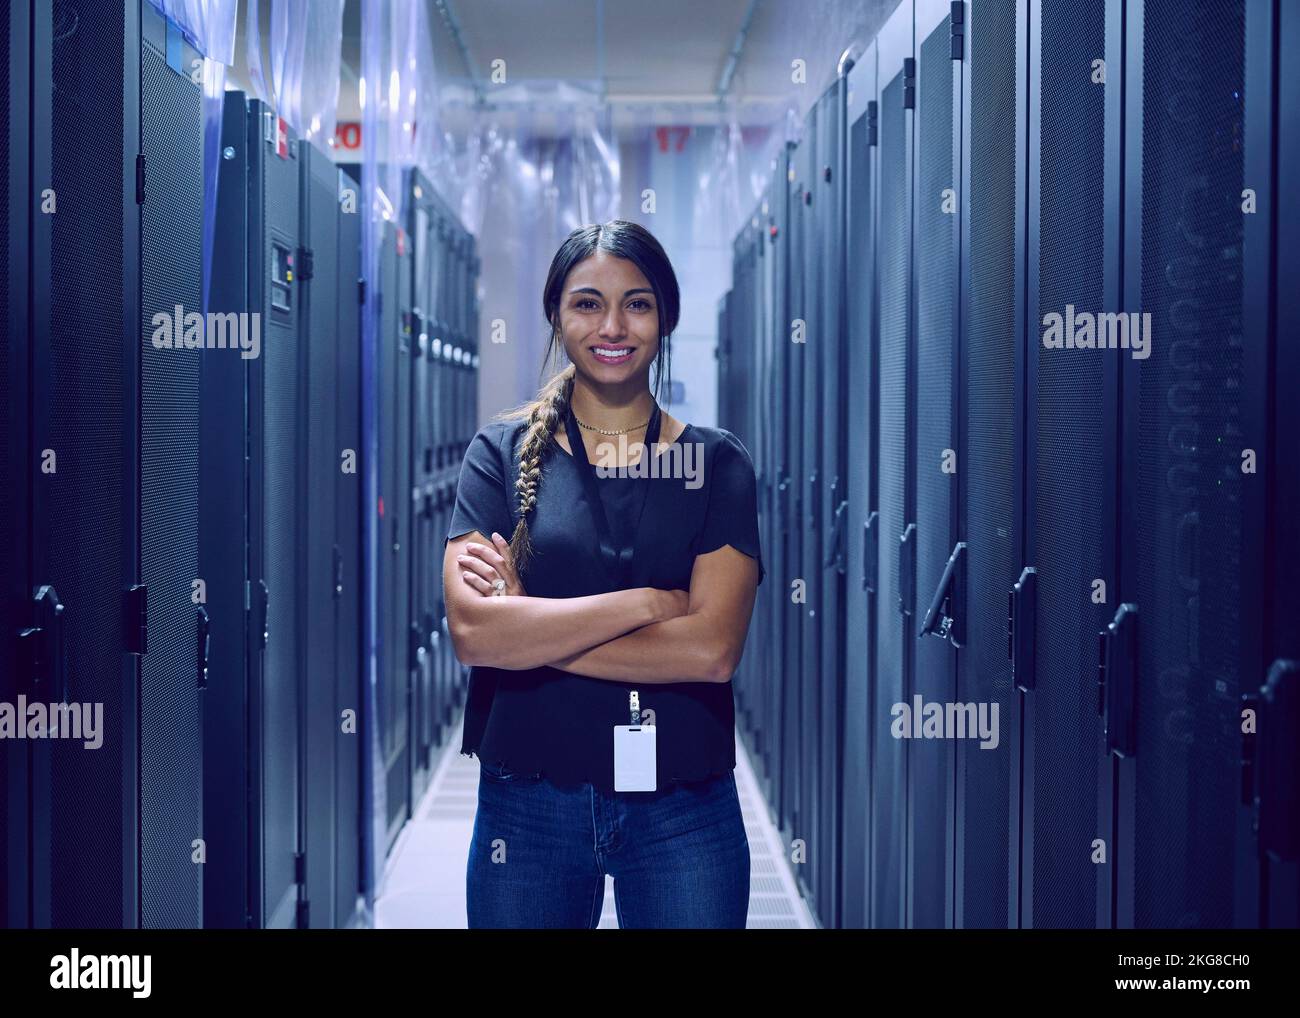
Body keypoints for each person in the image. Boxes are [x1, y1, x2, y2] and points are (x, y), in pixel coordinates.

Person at [443, 219, 765, 929]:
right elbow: (475, 634)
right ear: (558, 315)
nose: (611, 325)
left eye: (637, 303)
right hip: (528, 808)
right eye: (587, 303)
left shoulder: (717, 467)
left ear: (666, 316)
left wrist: (533, 627)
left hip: (683, 809)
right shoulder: (497, 456)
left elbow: (710, 653)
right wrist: (650, 602)